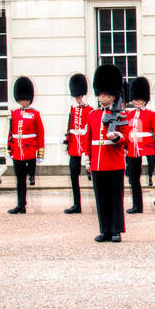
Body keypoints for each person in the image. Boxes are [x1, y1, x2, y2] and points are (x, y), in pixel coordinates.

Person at [85, 64, 127, 242]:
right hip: (97, 163)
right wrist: (88, 159)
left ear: (112, 96)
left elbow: (128, 138)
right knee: (101, 198)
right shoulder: (93, 115)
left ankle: (116, 230)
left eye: (105, 94)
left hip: (114, 161)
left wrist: (117, 137)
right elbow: (89, 140)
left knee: (115, 198)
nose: (102, 97)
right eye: (100, 94)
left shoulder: (122, 115)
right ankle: (105, 230)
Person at [123, 76, 155, 214]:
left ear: (144, 99)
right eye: (135, 99)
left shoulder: (152, 114)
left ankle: (153, 188)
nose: (137, 102)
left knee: (151, 171)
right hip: (133, 149)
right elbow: (127, 132)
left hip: (147, 146)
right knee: (134, 179)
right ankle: (137, 206)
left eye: (139, 99)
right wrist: (125, 147)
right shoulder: (130, 114)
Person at [5, 76, 43, 215]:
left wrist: (40, 153)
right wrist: (9, 149)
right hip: (17, 150)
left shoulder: (35, 114)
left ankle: (32, 175)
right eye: (21, 99)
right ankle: (21, 205)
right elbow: (11, 132)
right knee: (20, 180)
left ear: (29, 99)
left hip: (29, 149)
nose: (23, 102)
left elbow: (40, 133)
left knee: (28, 174)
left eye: (25, 99)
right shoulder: (14, 114)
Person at [64, 74, 91, 214]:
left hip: (86, 145)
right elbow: (70, 128)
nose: (78, 99)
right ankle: (77, 204)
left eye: (80, 96)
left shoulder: (90, 110)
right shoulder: (73, 110)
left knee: (92, 176)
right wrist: (67, 143)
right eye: (77, 97)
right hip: (74, 145)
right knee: (73, 175)